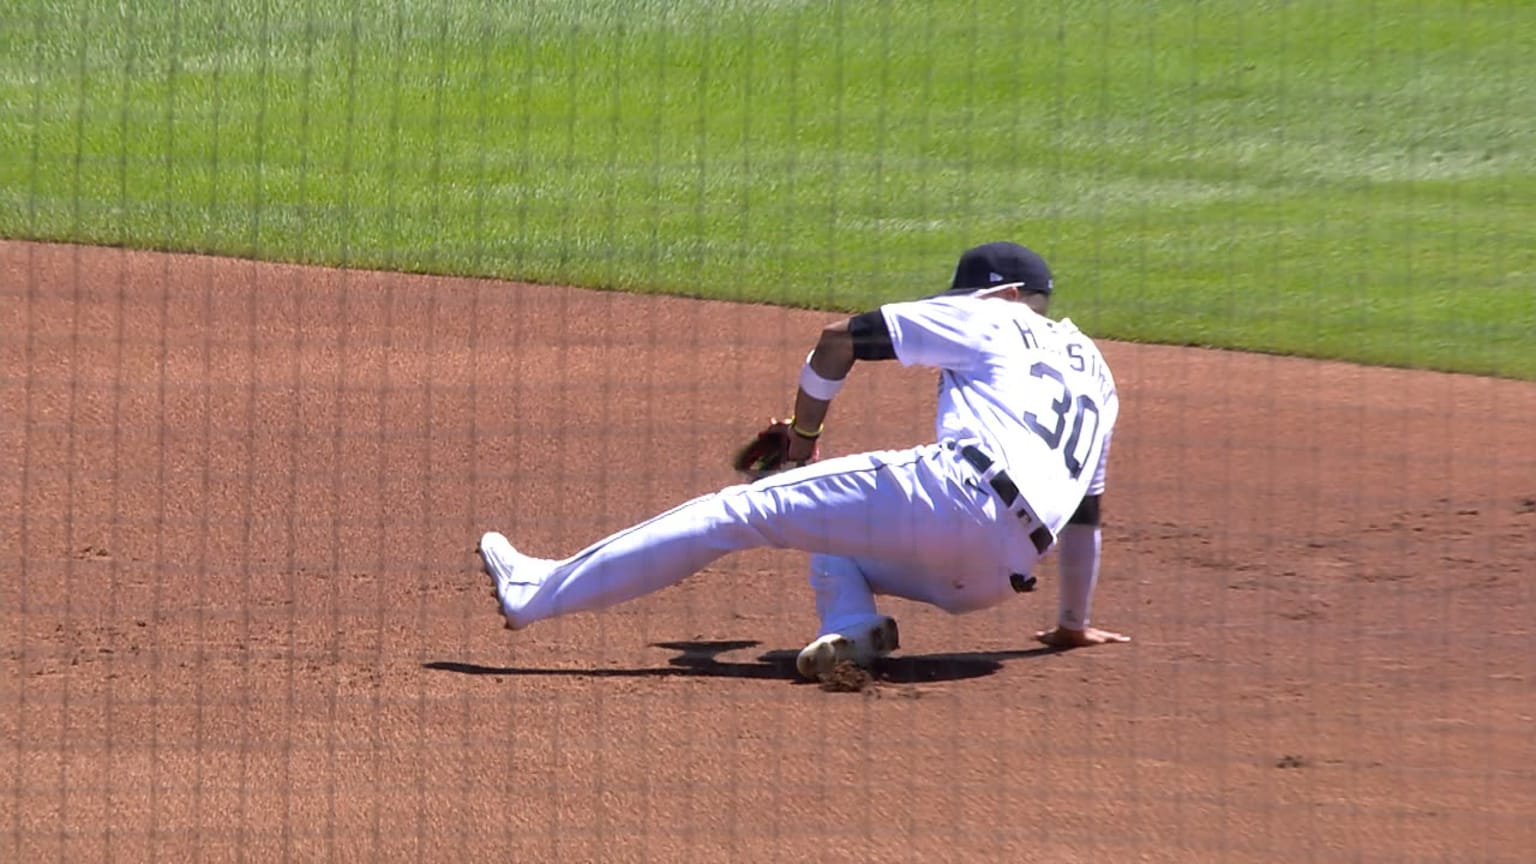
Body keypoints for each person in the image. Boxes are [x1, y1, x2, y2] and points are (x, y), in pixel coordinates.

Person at [477, 241, 1129, 680]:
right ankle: (852, 624)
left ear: (1006, 295)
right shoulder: (1097, 375)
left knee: (729, 514)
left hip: (954, 495)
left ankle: (534, 594)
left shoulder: (996, 319)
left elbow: (838, 340)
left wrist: (803, 439)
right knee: (834, 524)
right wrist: (1073, 624)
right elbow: (1085, 520)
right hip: (995, 576)